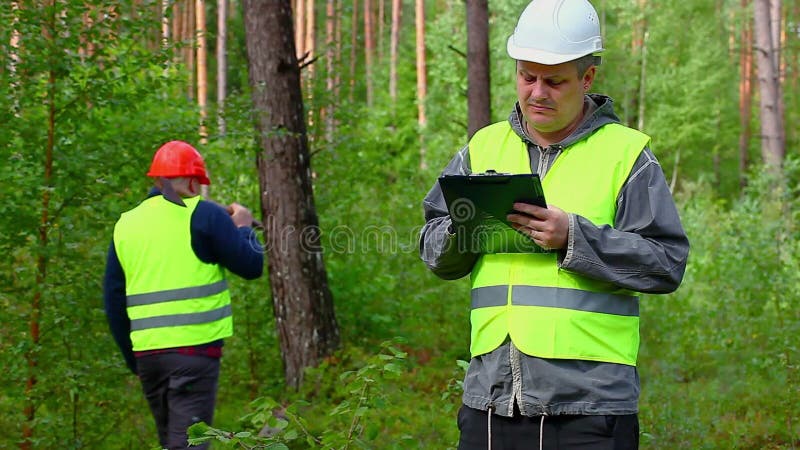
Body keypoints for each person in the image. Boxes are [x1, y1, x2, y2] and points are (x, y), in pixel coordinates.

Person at [419, 0, 690, 448]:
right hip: (490, 401)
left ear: (587, 79)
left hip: (590, 408)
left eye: (554, 80)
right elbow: (432, 247)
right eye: (527, 76)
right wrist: (463, 232)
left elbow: (666, 262)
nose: (537, 92)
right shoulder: (482, 147)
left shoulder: (627, 156)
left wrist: (574, 238)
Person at [104, 140, 264, 450]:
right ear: (193, 181)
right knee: (188, 445)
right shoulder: (205, 215)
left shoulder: (126, 224)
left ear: (156, 179)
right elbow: (251, 265)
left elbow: (112, 299)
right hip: (194, 354)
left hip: (148, 357)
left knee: (171, 442)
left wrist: (132, 358)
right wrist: (244, 227)